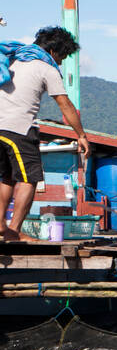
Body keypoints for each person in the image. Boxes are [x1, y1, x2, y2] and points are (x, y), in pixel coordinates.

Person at [0, 26, 91, 241]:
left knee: (6, 178)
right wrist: (81, 135)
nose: (61, 62)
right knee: (29, 179)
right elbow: (65, 104)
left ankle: (1, 226)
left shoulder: (13, 60)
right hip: (18, 129)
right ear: (54, 51)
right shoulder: (46, 68)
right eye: (62, 57)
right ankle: (13, 231)